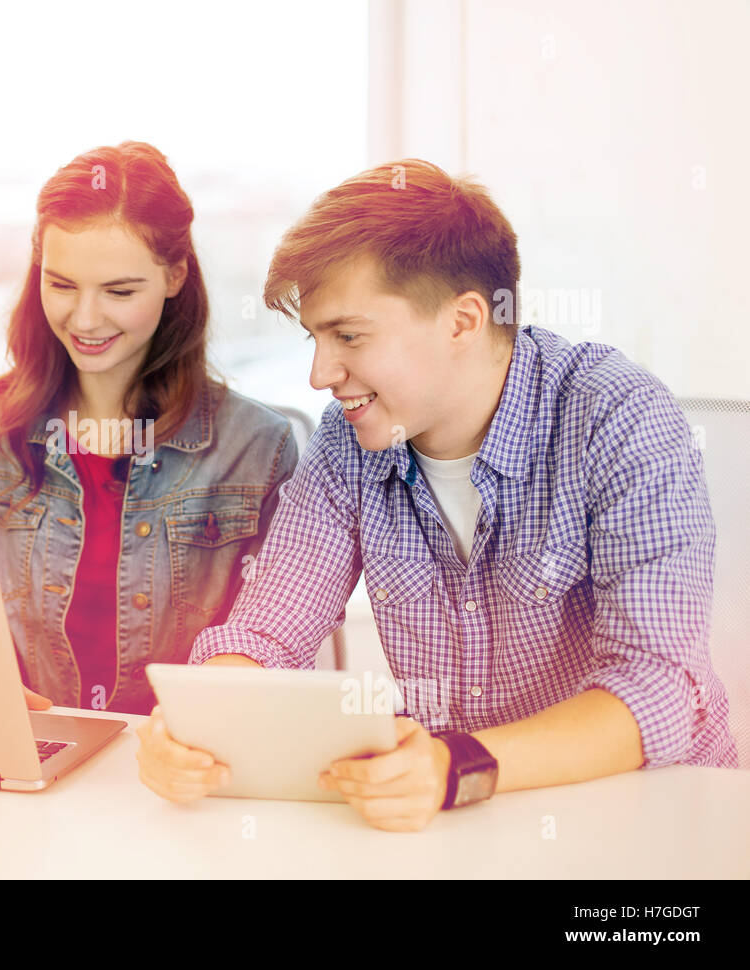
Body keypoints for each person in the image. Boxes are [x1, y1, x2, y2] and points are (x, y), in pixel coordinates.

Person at [136, 158, 736, 829]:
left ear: (463, 321)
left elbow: (655, 688)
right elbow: (269, 632)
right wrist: (201, 721)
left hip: (648, 816)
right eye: (315, 337)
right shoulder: (348, 441)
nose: (319, 374)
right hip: (451, 821)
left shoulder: (618, 418)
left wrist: (458, 766)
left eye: (348, 336)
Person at [0, 141, 298, 716]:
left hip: (187, 765)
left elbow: (273, 649)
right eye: (62, 285)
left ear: (175, 275)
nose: (84, 319)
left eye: (119, 291)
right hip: (28, 760)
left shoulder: (258, 448)